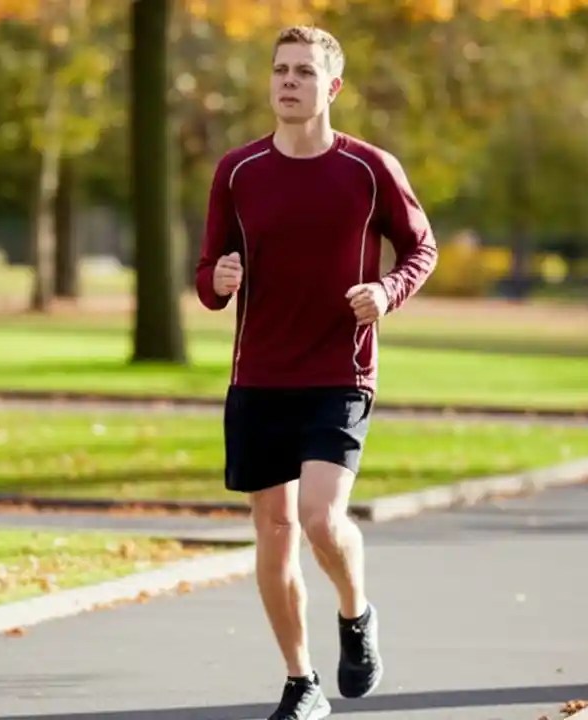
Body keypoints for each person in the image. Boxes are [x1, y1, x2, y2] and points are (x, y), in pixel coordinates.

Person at [194, 25, 438, 720]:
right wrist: (219, 279)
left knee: (321, 519)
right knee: (274, 531)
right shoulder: (238, 171)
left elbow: (421, 248)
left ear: (332, 86)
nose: (289, 81)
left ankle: (356, 613)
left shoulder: (369, 168)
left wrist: (387, 292)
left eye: (303, 71)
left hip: (340, 371)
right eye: (280, 70)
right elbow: (207, 274)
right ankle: (301, 682)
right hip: (258, 377)